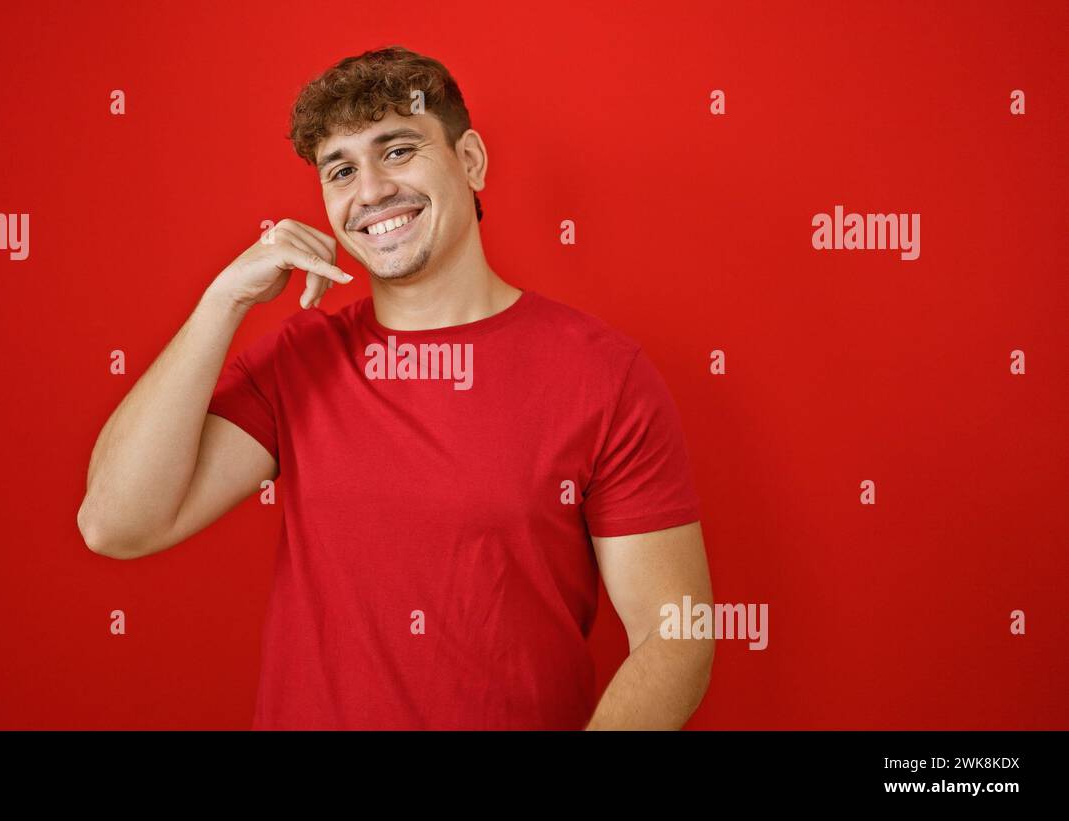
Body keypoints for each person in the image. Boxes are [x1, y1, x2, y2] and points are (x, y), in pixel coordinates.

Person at [78, 46, 713, 730]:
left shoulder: (602, 373)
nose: (372, 190)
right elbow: (116, 523)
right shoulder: (300, 360)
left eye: (398, 150)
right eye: (342, 169)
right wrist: (221, 302)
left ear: (469, 161)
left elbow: (674, 633)